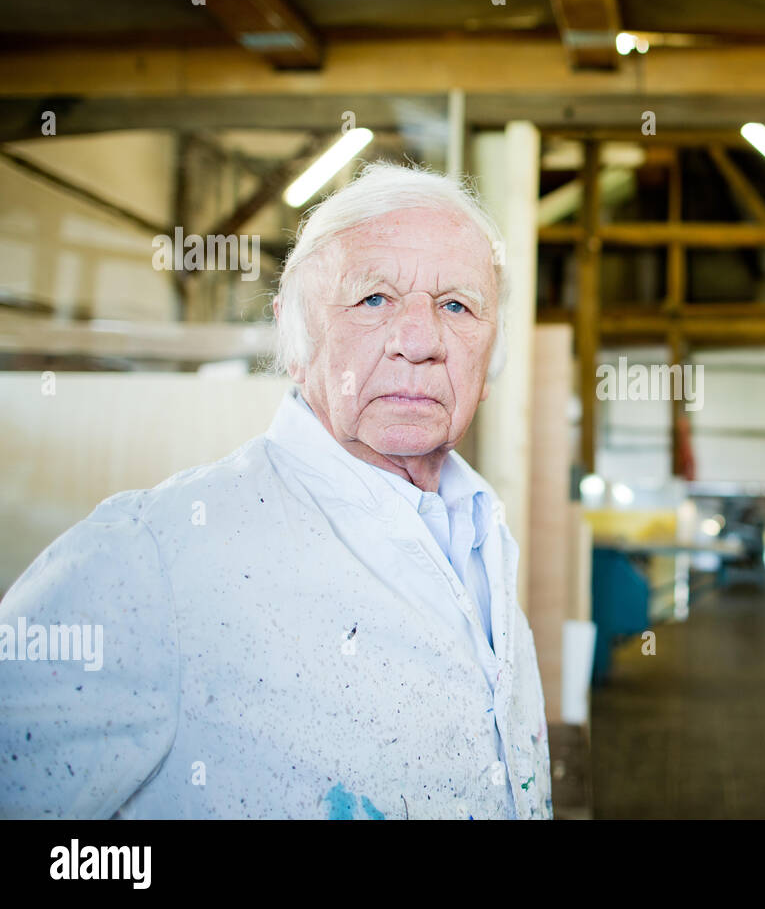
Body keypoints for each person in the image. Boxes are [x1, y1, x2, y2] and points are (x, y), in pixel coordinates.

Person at [0, 162, 551, 819]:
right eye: (373, 299)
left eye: (457, 305)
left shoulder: (481, 536)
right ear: (297, 337)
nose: (420, 339)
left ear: (489, 360)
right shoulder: (152, 559)